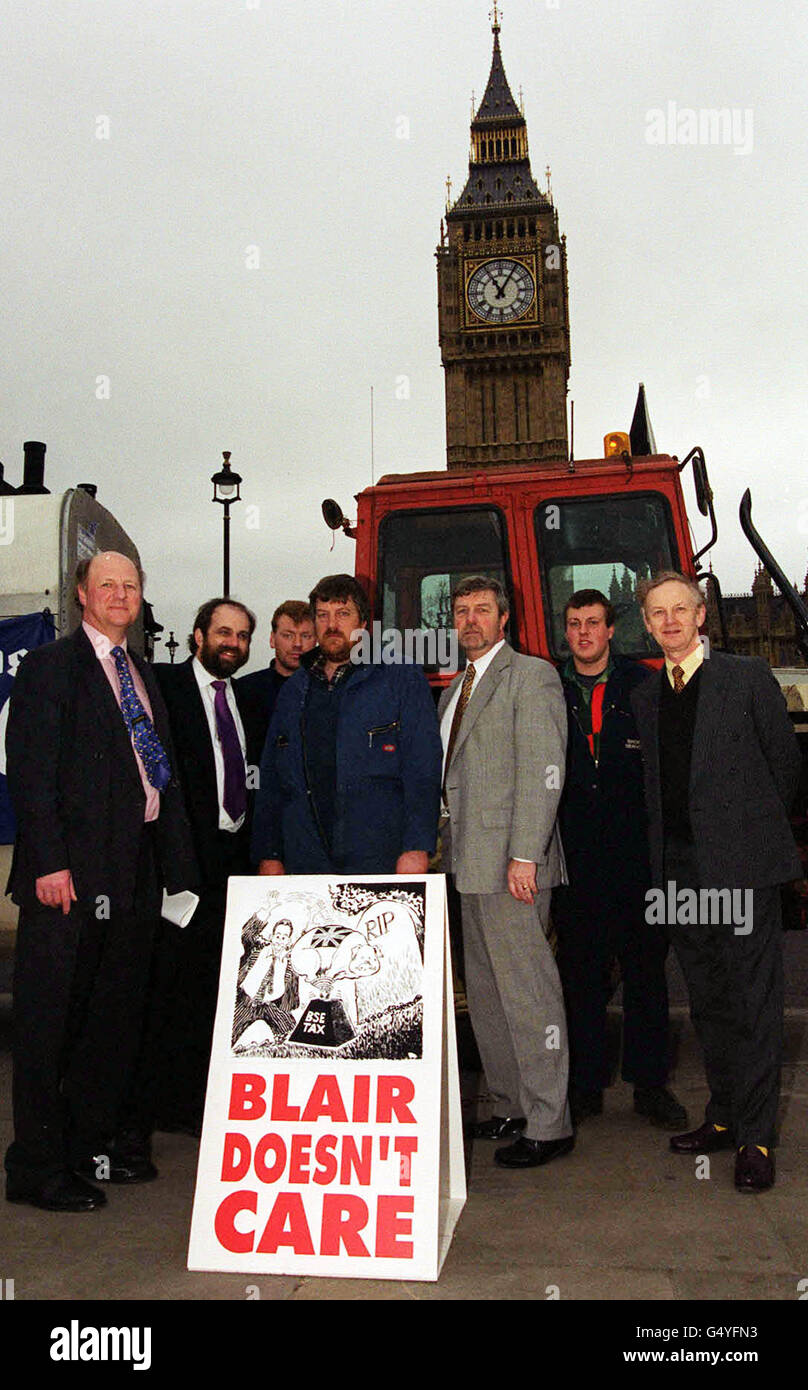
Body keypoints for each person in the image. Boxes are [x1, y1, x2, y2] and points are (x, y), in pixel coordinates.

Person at [4, 552, 196, 1211]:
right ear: (82, 595)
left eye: (130, 586)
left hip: (134, 870)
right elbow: (30, 773)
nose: (120, 595)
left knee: (111, 1022)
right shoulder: (51, 668)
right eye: (107, 585)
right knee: (49, 1023)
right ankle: (35, 1165)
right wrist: (50, 865)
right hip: (71, 879)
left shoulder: (138, 671)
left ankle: (91, 1148)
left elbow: (159, 780)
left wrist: (176, 875)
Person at [632, 570, 802, 1191]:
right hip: (678, 874)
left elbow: (783, 768)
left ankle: (757, 1138)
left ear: (701, 615)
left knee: (755, 1003)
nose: (671, 621)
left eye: (682, 609)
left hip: (743, 868)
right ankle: (725, 1117)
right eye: (658, 613)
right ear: (647, 624)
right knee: (708, 1002)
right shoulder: (647, 697)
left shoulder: (746, 678)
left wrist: (746, 841)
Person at [439, 575, 573, 1169]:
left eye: (482, 611)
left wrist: (526, 854)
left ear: (505, 618)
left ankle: (550, 1122)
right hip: (467, 863)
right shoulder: (455, 689)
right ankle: (511, 1104)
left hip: (513, 865)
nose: (470, 620)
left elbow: (544, 770)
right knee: (488, 996)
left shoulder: (532, 676)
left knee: (529, 996)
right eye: (462, 612)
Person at [553, 589, 686, 1129]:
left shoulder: (643, 686)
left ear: (611, 630)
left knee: (645, 973)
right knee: (579, 976)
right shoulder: (549, 688)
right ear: (566, 633)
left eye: (593, 623)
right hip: (574, 860)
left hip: (636, 860)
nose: (584, 633)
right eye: (574, 624)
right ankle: (585, 1087)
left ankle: (650, 1086)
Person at [139, 598, 267, 1132]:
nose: (231, 644)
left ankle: (206, 1099)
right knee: (173, 984)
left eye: (240, 635)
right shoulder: (165, 689)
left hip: (233, 860)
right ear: (197, 636)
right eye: (222, 632)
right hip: (183, 861)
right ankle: (165, 1105)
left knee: (221, 986)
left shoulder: (247, 699)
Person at [251, 573, 441, 875]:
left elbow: (422, 770)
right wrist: (269, 853)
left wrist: (417, 847)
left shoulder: (400, 679)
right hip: (306, 861)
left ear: (363, 623)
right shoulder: (294, 690)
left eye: (343, 614)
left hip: (381, 859)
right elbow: (272, 778)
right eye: (323, 615)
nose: (332, 625)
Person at [238, 600, 315, 724]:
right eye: (288, 635)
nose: (297, 644)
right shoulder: (244, 691)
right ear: (272, 639)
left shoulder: (328, 690)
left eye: (305, 636)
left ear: (316, 641)